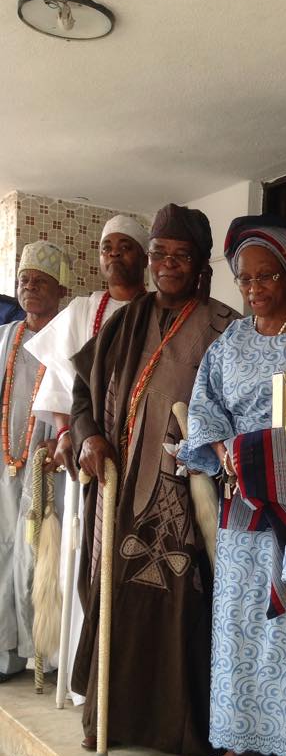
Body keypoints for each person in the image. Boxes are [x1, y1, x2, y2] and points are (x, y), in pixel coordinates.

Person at [70, 203, 236, 756]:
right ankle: (107, 718)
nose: (168, 265)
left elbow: (241, 406)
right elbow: (82, 395)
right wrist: (90, 436)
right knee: (112, 602)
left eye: (180, 256)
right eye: (160, 254)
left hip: (184, 495)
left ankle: (184, 732)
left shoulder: (222, 324)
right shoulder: (126, 317)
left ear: (198, 263)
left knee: (180, 610)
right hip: (117, 490)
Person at [182, 215, 286, 756]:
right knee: (240, 622)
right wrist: (228, 452)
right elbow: (205, 409)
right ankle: (237, 737)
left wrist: (278, 456)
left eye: (266, 276)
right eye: (244, 279)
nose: (254, 289)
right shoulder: (230, 342)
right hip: (245, 503)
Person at [25, 215, 149, 705]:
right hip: (88, 455)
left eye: (125, 247)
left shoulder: (157, 309)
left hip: (140, 460)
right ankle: (86, 685)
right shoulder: (82, 309)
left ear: (142, 256)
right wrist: (64, 435)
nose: (114, 255)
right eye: (106, 247)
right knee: (86, 566)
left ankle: (127, 685)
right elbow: (60, 382)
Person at [0, 241, 68, 680]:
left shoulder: (68, 336)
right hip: (5, 467)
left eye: (40, 282)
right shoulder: (6, 336)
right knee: (4, 553)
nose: (29, 288)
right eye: (24, 281)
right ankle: (6, 653)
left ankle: (49, 655)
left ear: (60, 290)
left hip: (51, 469)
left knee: (44, 556)